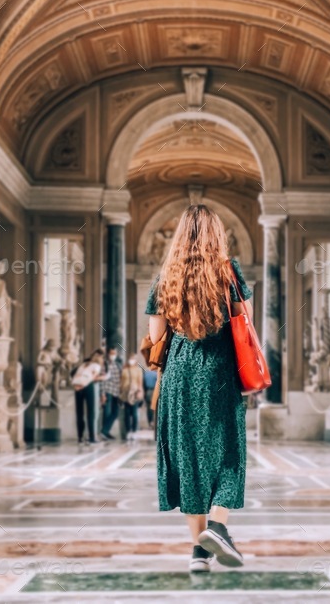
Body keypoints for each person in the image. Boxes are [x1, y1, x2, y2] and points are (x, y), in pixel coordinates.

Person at [145, 204, 253, 573]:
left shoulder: (166, 277)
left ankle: (198, 554)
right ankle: (218, 525)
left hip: (178, 374)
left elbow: (156, 335)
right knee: (229, 451)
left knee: (188, 459)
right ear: (216, 234)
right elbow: (244, 321)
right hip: (220, 371)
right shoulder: (228, 272)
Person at [71, 350, 107, 444]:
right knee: (91, 412)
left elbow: (74, 373)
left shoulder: (84, 364)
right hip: (87, 387)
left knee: (79, 413)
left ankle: (80, 436)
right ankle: (92, 437)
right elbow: (92, 377)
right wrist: (103, 377)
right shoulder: (96, 366)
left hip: (77, 387)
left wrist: (77, 387)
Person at [119, 354, 144, 440]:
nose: (131, 361)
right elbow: (121, 382)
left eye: (133, 359)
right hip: (126, 393)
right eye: (130, 359)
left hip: (134, 392)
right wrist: (120, 392)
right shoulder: (124, 370)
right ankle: (128, 430)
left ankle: (134, 431)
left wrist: (140, 392)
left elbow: (140, 382)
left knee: (134, 413)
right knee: (126, 413)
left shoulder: (138, 370)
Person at [100, 347, 122, 440]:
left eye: (114, 353)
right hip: (108, 391)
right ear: (108, 354)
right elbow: (102, 380)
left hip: (116, 392)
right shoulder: (105, 364)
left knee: (115, 412)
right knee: (107, 412)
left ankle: (105, 431)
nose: (112, 355)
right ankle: (105, 432)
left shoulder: (118, 364)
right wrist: (102, 394)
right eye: (111, 353)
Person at [143, 365, 158, 431]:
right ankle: (154, 423)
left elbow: (143, 384)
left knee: (149, 409)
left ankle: (150, 423)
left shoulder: (146, 374)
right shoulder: (156, 374)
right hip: (155, 392)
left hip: (148, 392)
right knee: (155, 408)